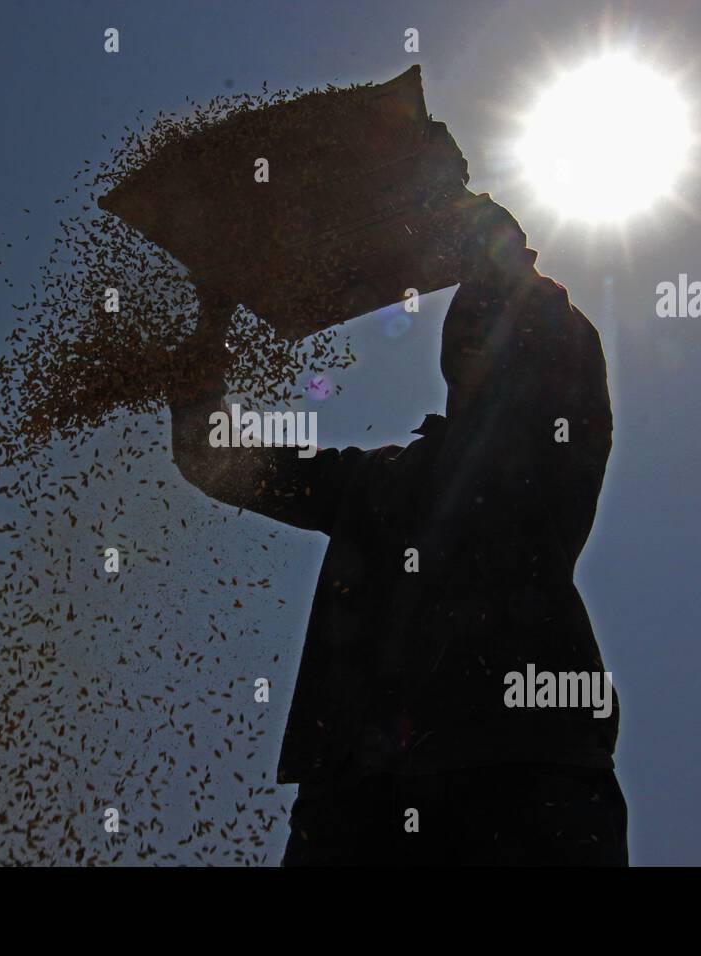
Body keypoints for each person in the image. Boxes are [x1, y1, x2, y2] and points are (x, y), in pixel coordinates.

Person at [169, 195, 626, 866]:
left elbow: (559, 340)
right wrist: (208, 332)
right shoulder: (371, 481)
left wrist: (497, 245)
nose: (478, 333)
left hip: (521, 768)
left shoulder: (553, 445)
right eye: (466, 325)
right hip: (358, 795)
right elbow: (216, 459)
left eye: (492, 320)